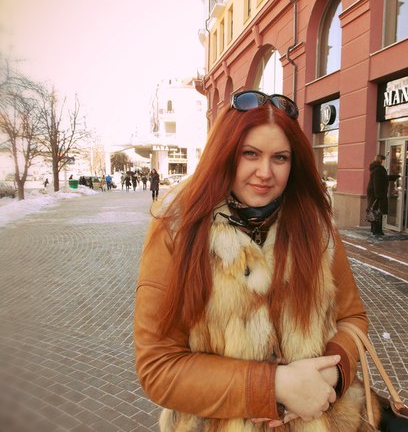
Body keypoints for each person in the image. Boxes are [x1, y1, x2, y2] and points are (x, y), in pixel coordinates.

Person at [134, 90, 369, 431]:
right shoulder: (177, 228)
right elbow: (158, 366)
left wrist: (330, 376)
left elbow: (352, 318)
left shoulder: (316, 228)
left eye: (280, 158)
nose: (265, 172)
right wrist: (272, 386)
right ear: (225, 153)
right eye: (250, 154)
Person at [367, 154, 388, 236]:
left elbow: (380, 179)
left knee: (374, 212)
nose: (385, 162)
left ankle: (374, 230)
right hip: (377, 195)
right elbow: (377, 183)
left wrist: (391, 177)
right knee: (377, 212)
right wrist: (378, 196)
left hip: (374, 194)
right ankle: (377, 231)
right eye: (384, 160)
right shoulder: (379, 169)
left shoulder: (375, 168)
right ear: (381, 160)